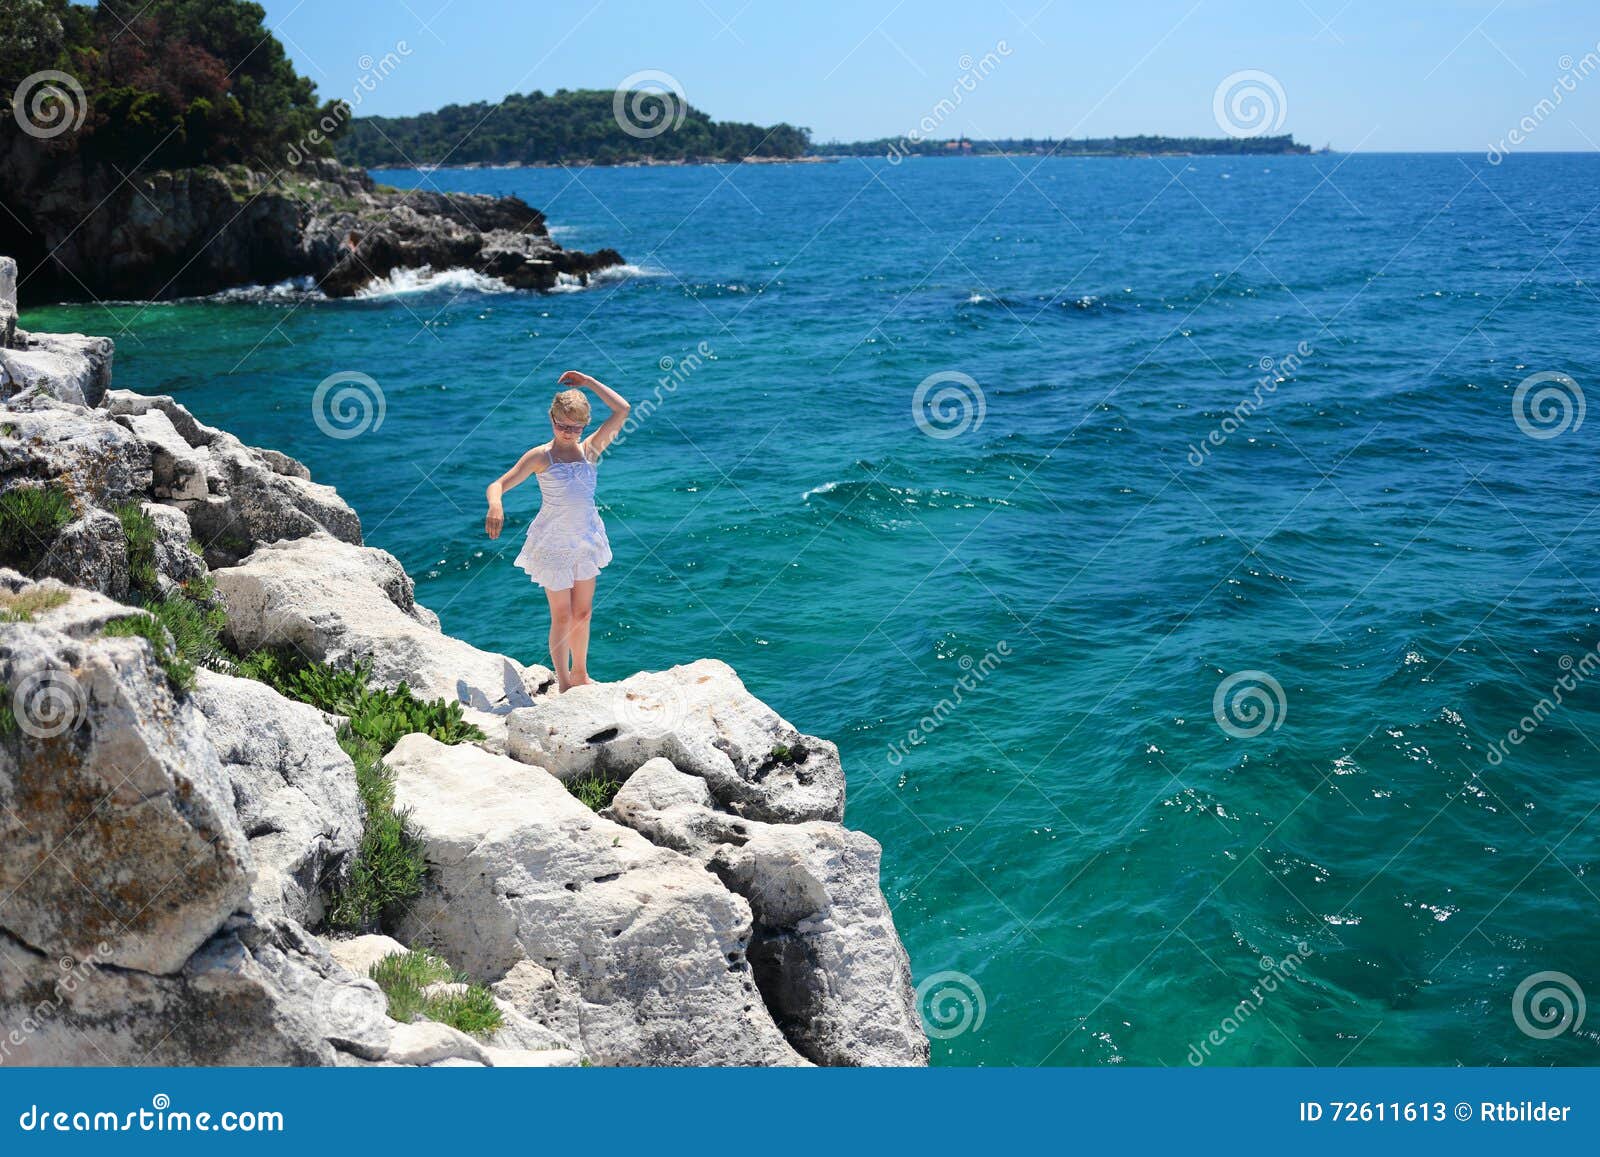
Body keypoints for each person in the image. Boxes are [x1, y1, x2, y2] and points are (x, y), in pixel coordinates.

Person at [485, 370, 630, 692]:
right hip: (553, 542)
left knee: (583, 612)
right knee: (562, 616)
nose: (567, 432)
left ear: (585, 425)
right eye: (561, 425)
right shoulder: (542, 456)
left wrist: (590, 382)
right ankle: (564, 682)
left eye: (575, 427)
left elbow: (622, 410)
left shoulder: (589, 451)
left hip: (585, 538)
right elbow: (498, 484)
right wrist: (496, 505)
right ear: (551, 419)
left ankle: (581, 674)